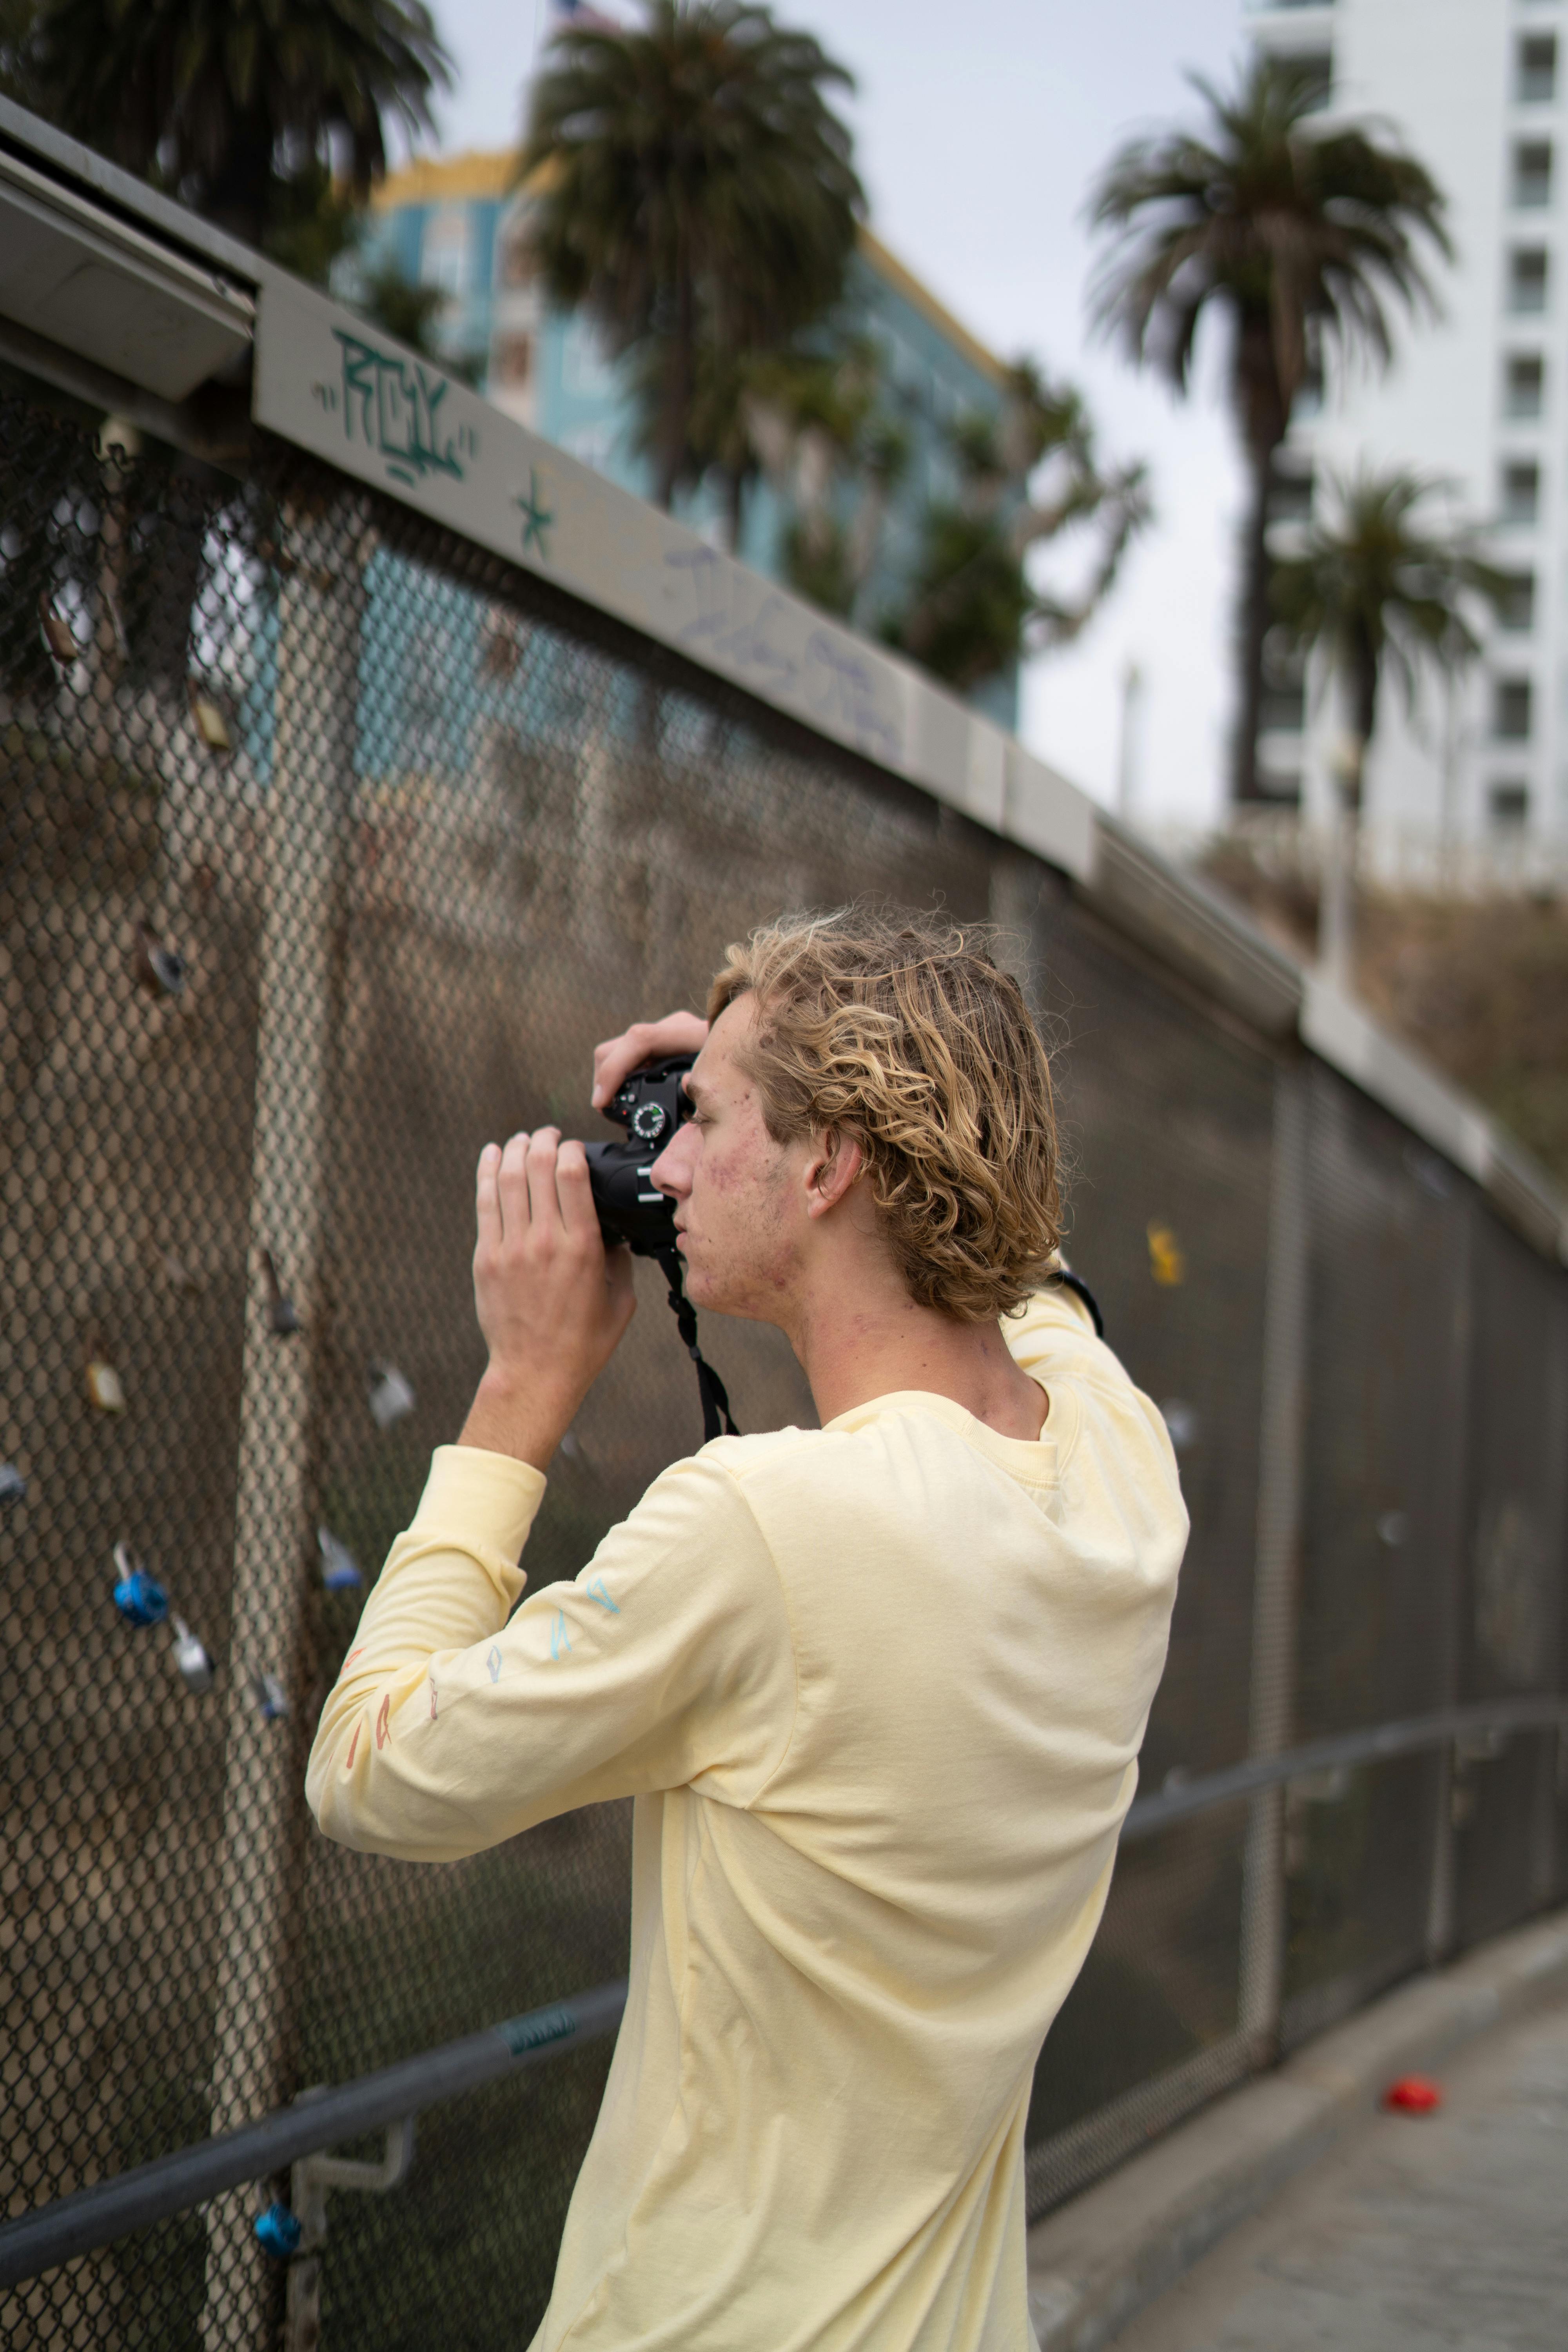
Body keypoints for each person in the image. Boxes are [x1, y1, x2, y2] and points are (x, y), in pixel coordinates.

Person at [306, 907, 1187, 2352]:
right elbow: (1032, 1280)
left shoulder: (764, 1529)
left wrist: (521, 1389)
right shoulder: (1114, 1459)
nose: (663, 1162)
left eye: (700, 1120)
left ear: (834, 1164)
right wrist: (744, 1068)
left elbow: (368, 1773)